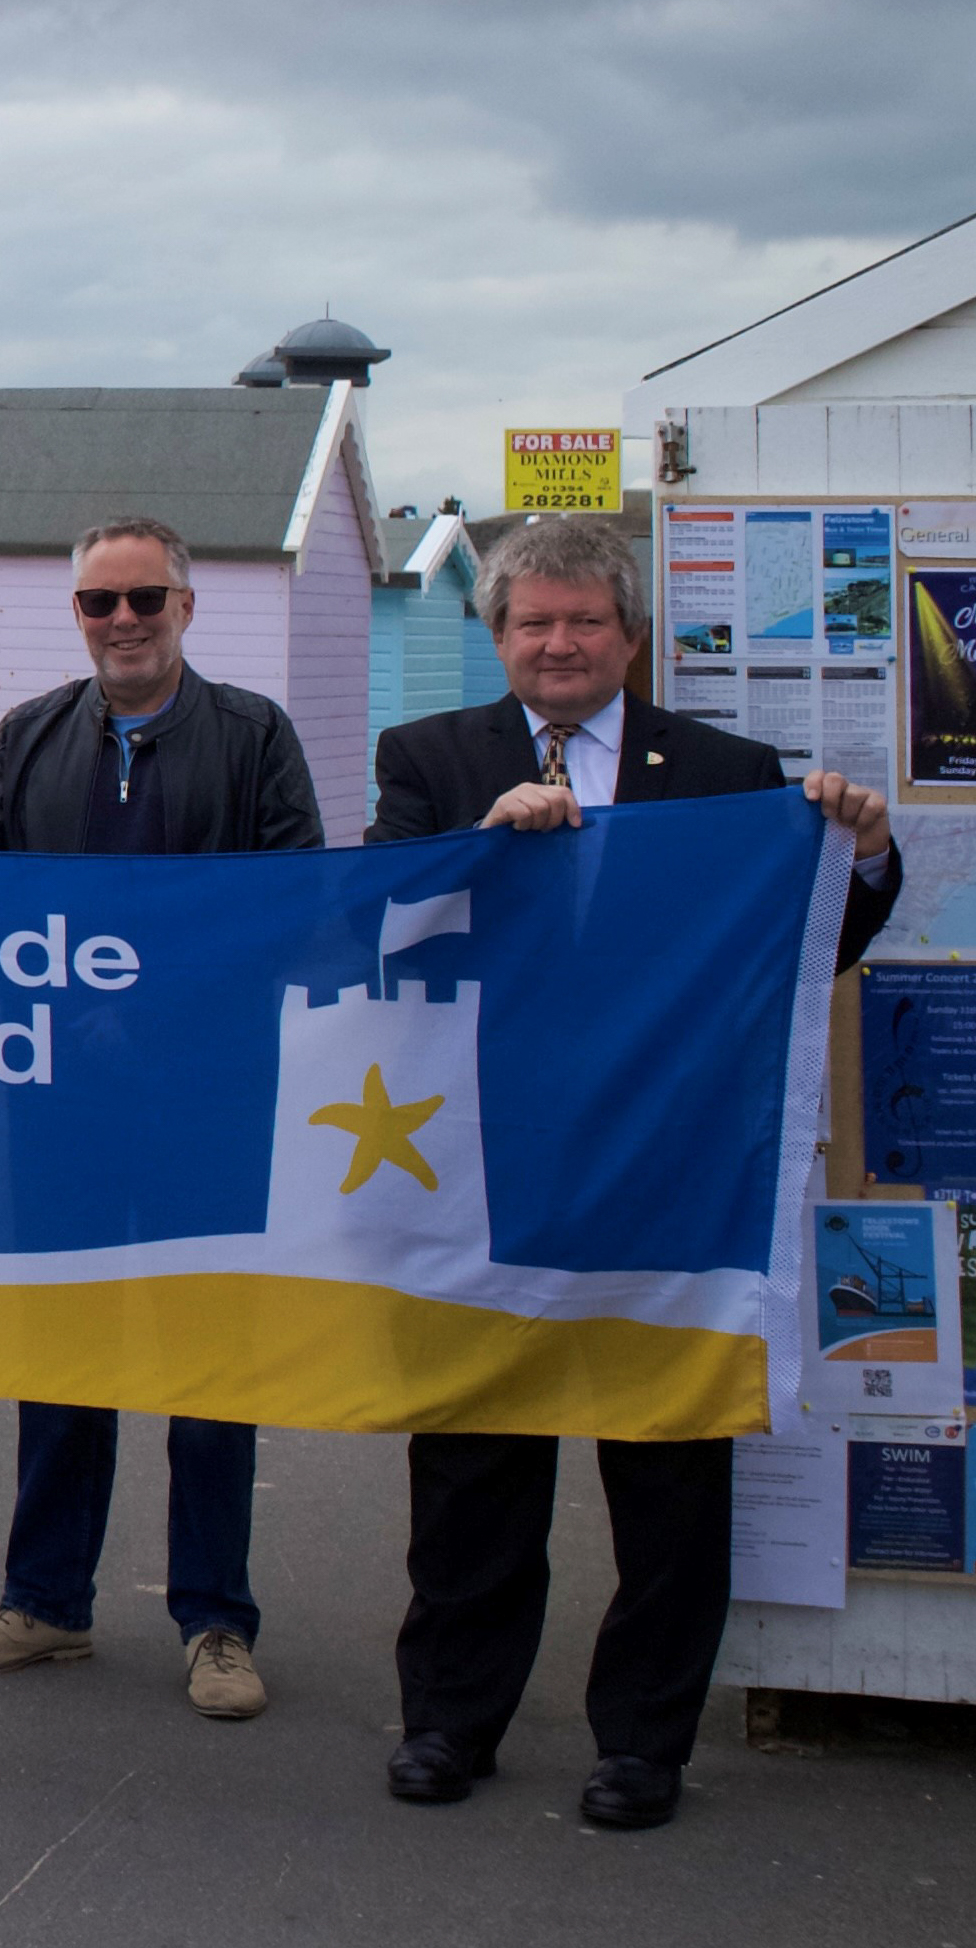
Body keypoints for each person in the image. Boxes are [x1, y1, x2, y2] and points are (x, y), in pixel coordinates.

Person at [373, 514, 897, 1831]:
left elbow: (804, 947)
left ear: (632, 637)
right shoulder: (430, 759)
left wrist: (864, 851)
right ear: (497, 638)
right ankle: (450, 1720)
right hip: (481, 1169)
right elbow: (385, 927)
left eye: (584, 621)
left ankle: (644, 1743)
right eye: (533, 622)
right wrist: (483, 842)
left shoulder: (726, 770)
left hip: (668, 1171)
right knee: (475, 1462)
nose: (558, 642)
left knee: (666, 1470)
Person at [0, 514, 321, 1722]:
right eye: (97, 603)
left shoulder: (255, 734)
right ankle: (44, 1598)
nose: (121, 622)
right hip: (56, 1104)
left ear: (186, 607)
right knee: (60, 1359)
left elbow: (292, 911)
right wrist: (53, 1011)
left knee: (209, 1367)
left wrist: (150, 1013)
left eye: (143, 598)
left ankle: (216, 1618)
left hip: (206, 1106)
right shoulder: (29, 734)